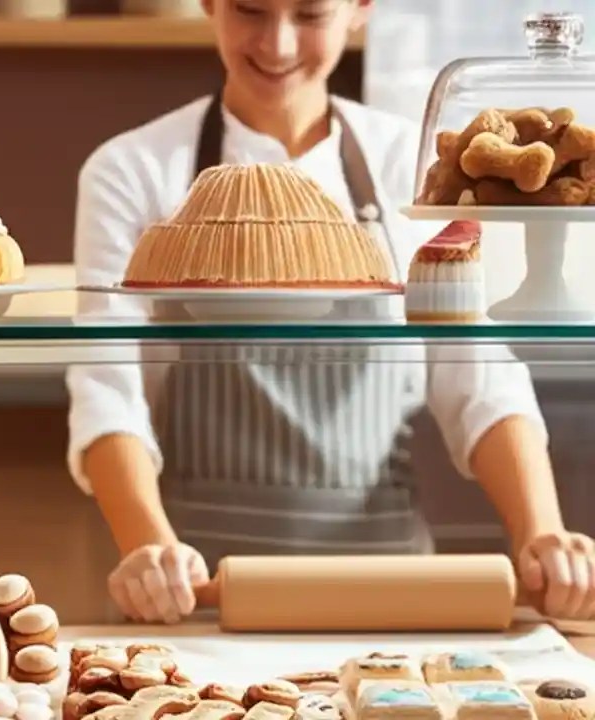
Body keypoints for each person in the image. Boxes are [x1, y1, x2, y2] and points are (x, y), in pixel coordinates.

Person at [67, 0, 595, 623]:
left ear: (361, 9)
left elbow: (479, 376)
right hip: (199, 594)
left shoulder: (410, 164)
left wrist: (542, 534)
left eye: (311, 15)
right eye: (250, 10)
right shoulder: (131, 170)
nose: (279, 43)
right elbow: (107, 389)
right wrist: (152, 552)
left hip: (391, 593)